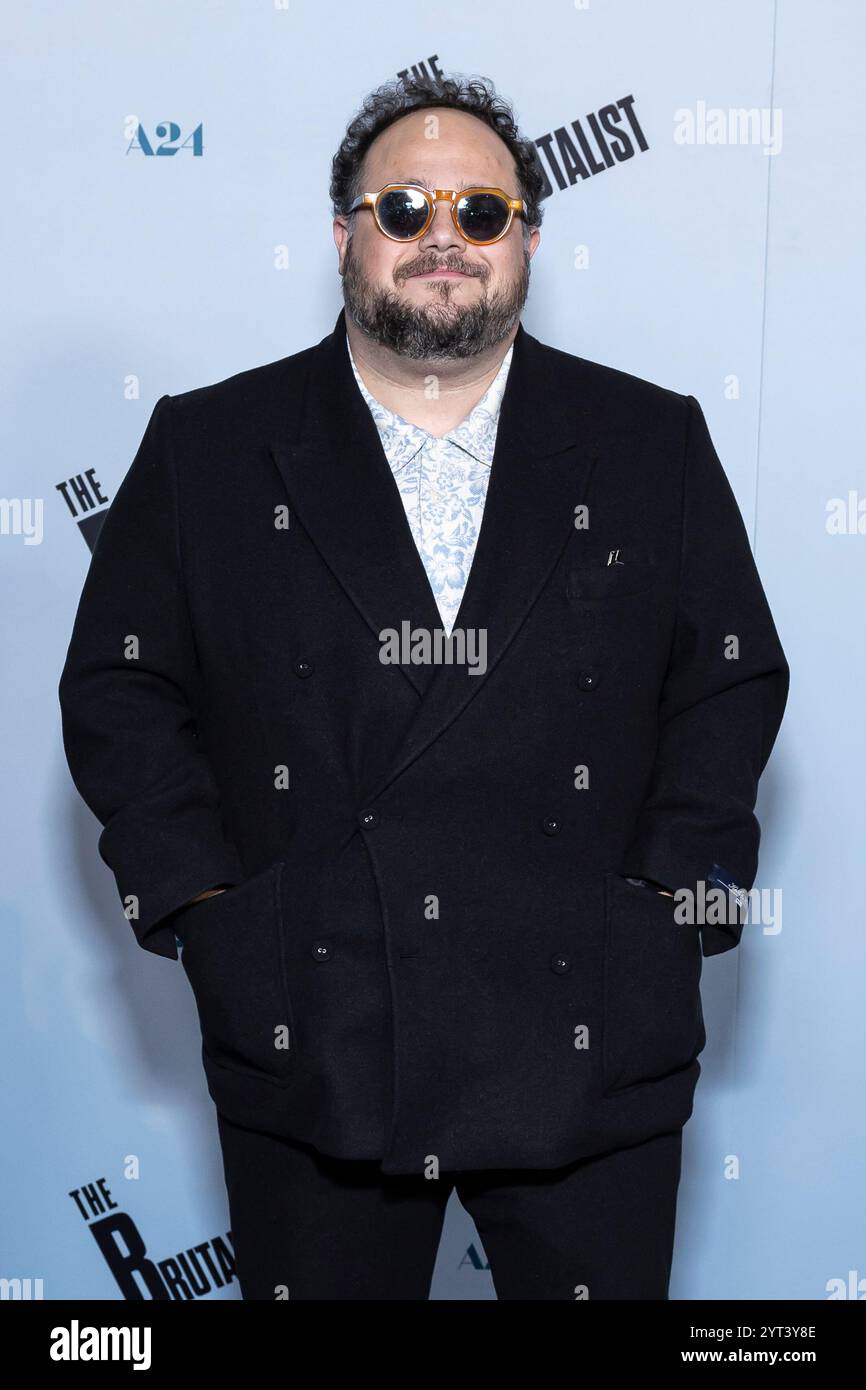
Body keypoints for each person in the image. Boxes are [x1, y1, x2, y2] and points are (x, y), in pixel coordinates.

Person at [58, 73, 789, 1300]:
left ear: (527, 240)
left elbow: (727, 684)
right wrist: (212, 910)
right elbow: (121, 690)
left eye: (481, 210)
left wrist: (669, 905)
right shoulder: (210, 447)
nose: (441, 235)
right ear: (343, 233)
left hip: (590, 1036)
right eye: (401, 207)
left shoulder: (648, 440)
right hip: (318, 1029)